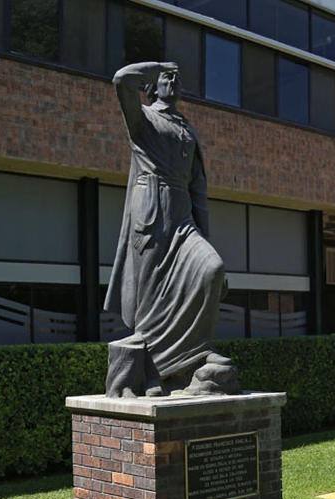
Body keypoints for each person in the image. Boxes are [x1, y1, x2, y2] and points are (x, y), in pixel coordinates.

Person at [104, 61, 239, 397]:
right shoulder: (142, 119)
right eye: (167, 78)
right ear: (151, 85)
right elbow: (122, 80)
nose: (174, 80)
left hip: (183, 216)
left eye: (177, 77)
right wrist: (158, 66)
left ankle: (196, 357)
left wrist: (204, 235)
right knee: (150, 300)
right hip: (151, 213)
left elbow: (199, 192)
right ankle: (153, 376)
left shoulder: (187, 129)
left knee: (211, 268)